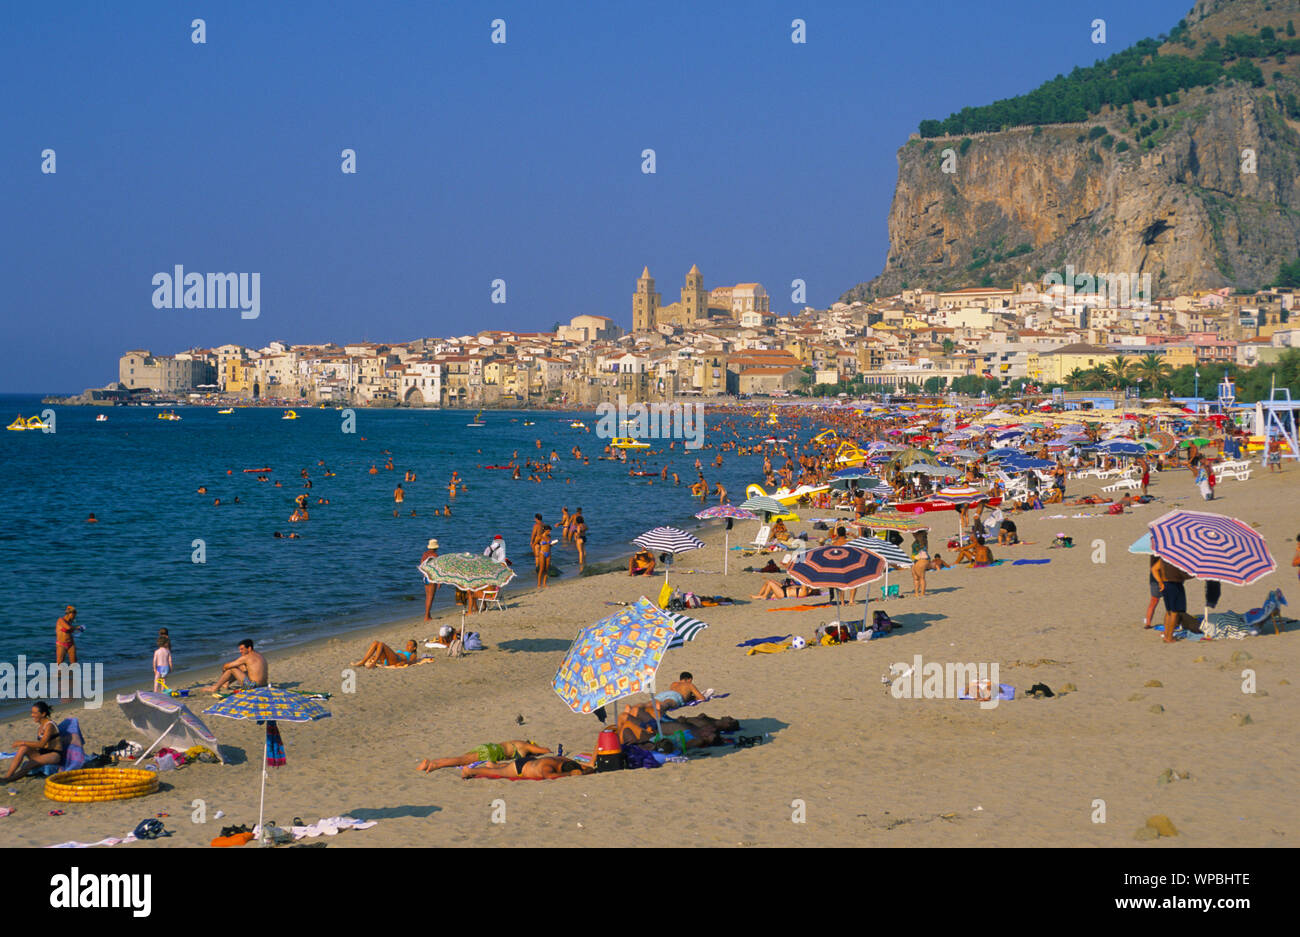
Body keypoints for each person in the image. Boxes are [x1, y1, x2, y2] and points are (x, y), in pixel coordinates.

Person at [1, 702, 65, 782]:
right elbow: (39, 746)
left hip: (54, 754)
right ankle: (8, 775)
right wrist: (25, 746)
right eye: (31, 712)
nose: (32, 715)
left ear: (43, 714)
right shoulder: (41, 726)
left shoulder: (50, 725)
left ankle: (9, 779)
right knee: (23, 748)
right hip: (42, 753)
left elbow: (41, 744)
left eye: (35, 713)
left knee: (30, 763)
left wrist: (22, 742)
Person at [417, 740, 551, 772]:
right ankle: (434, 764)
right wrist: (543, 752)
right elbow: (545, 750)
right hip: (493, 752)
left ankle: (431, 764)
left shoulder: (518, 744)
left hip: (488, 748)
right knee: (461, 760)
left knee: (461, 760)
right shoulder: (525, 745)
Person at [1151, 559, 1201, 643]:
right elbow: (1183, 575)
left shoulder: (1164, 558)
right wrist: (1196, 574)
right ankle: (1169, 637)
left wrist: (1160, 582)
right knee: (1174, 612)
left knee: (1169, 611)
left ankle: (1166, 634)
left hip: (1165, 585)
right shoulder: (1176, 560)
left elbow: (1154, 569)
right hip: (1174, 585)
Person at [459, 755, 594, 780]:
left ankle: (494, 764)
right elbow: (550, 776)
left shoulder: (563, 760)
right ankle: (469, 770)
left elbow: (585, 767)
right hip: (520, 768)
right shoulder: (548, 768)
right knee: (495, 772)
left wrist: (585, 770)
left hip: (530, 762)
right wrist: (569, 774)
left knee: (499, 768)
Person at [352, 639, 419, 669]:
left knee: (381, 644)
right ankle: (363, 661)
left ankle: (374, 663)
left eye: (410, 645)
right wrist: (375, 656)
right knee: (376, 642)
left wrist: (404, 663)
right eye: (407, 644)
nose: (407, 646)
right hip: (387, 659)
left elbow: (412, 661)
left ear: (414, 648)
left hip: (396, 660)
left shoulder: (413, 654)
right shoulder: (402, 651)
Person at [421, 539, 440, 621]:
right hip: (432, 578)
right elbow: (437, 569)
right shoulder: (435, 555)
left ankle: (427, 615)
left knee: (427, 596)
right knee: (430, 597)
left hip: (425, 577)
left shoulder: (425, 554)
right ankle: (426, 616)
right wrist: (439, 582)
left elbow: (421, 565)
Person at [1143, 554, 1162, 629]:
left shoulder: (1152, 554)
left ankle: (1148, 623)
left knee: (1154, 601)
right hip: (1161, 578)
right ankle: (1148, 622)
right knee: (1170, 601)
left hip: (1154, 578)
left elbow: (1152, 568)